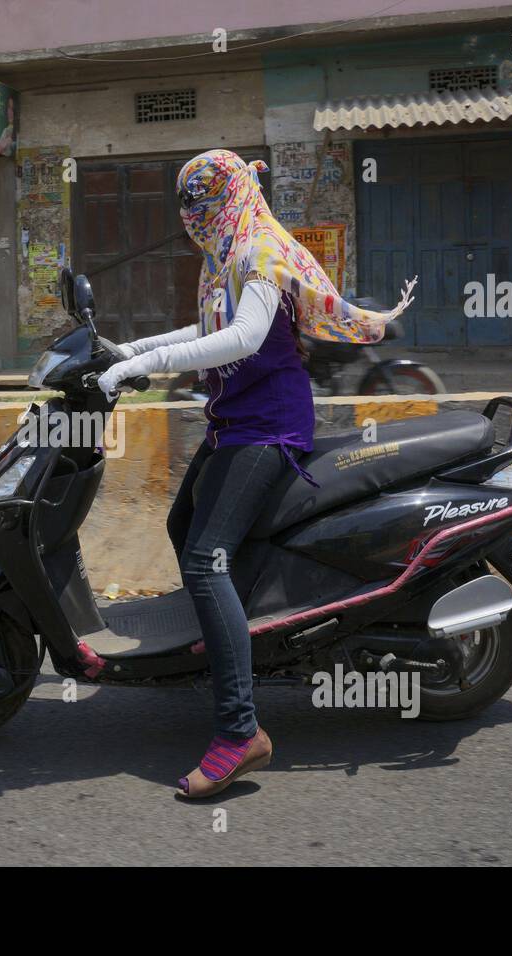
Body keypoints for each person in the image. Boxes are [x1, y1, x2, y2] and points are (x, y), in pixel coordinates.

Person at [97, 149, 417, 798]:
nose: (193, 215)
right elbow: (209, 325)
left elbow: (242, 338)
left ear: (232, 196)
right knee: (181, 521)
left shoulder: (259, 251)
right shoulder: (225, 256)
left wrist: (141, 369)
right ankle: (233, 642)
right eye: (186, 203)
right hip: (231, 422)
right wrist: (132, 349)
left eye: (202, 200)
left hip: (268, 428)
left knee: (204, 559)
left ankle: (240, 731)